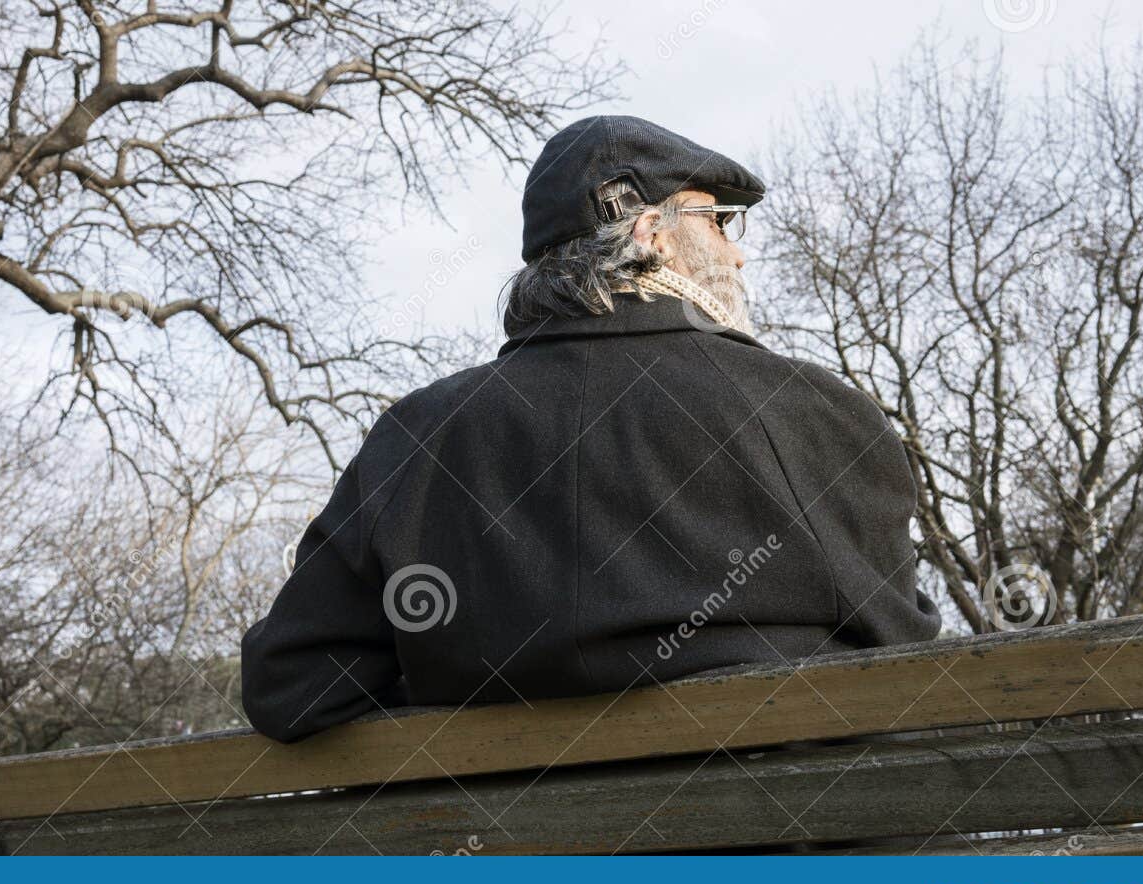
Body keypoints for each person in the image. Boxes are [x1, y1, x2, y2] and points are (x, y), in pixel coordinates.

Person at [242, 115, 940, 742]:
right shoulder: (815, 411)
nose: (738, 253)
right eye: (719, 221)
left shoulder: (420, 436)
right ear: (649, 231)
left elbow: (292, 690)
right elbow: (908, 664)